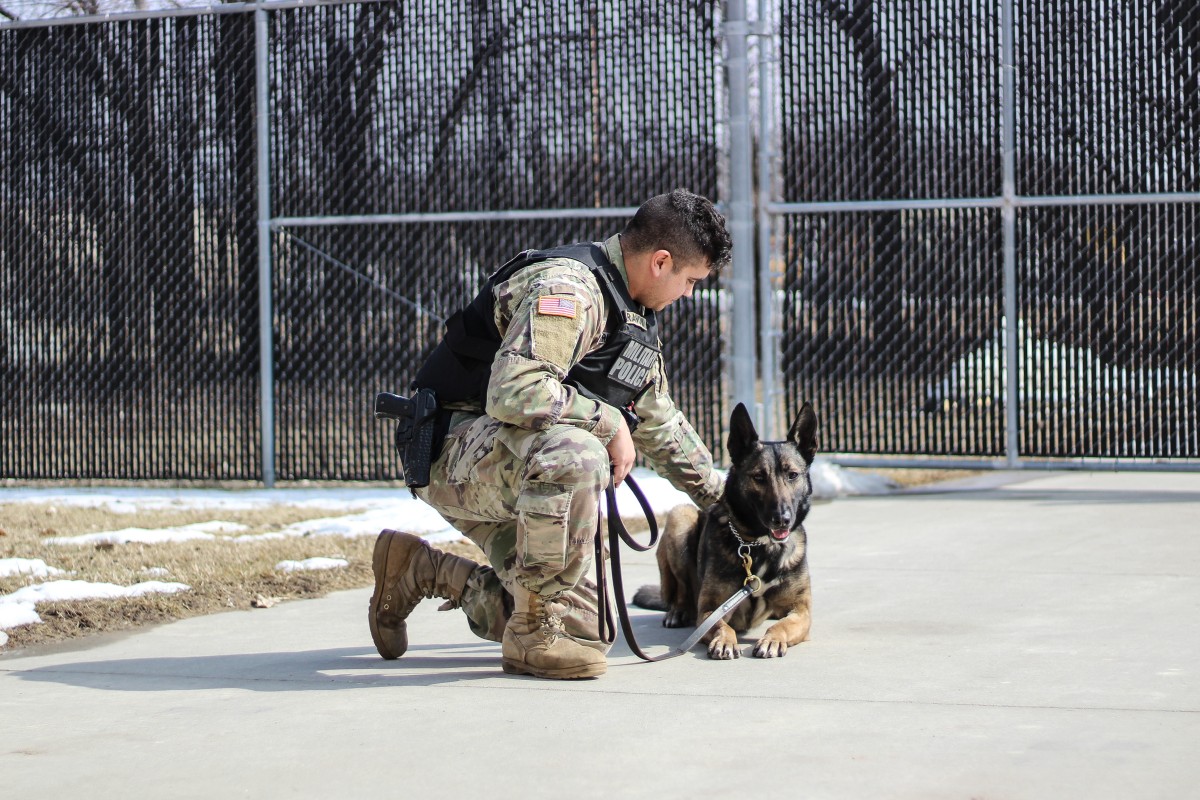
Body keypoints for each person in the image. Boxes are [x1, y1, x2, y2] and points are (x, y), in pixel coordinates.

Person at [369, 189, 731, 679]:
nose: (688, 294)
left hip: (518, 465)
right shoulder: (569, 290)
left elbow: (659, 419)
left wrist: (724, 504)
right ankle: (534, 635)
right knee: (578, 453)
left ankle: (422, 571)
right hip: (452, 451)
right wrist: (608, 423)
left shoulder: (632, 315)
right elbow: (514, 392)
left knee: (589, 630)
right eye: (690, 281)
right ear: (661, 262)